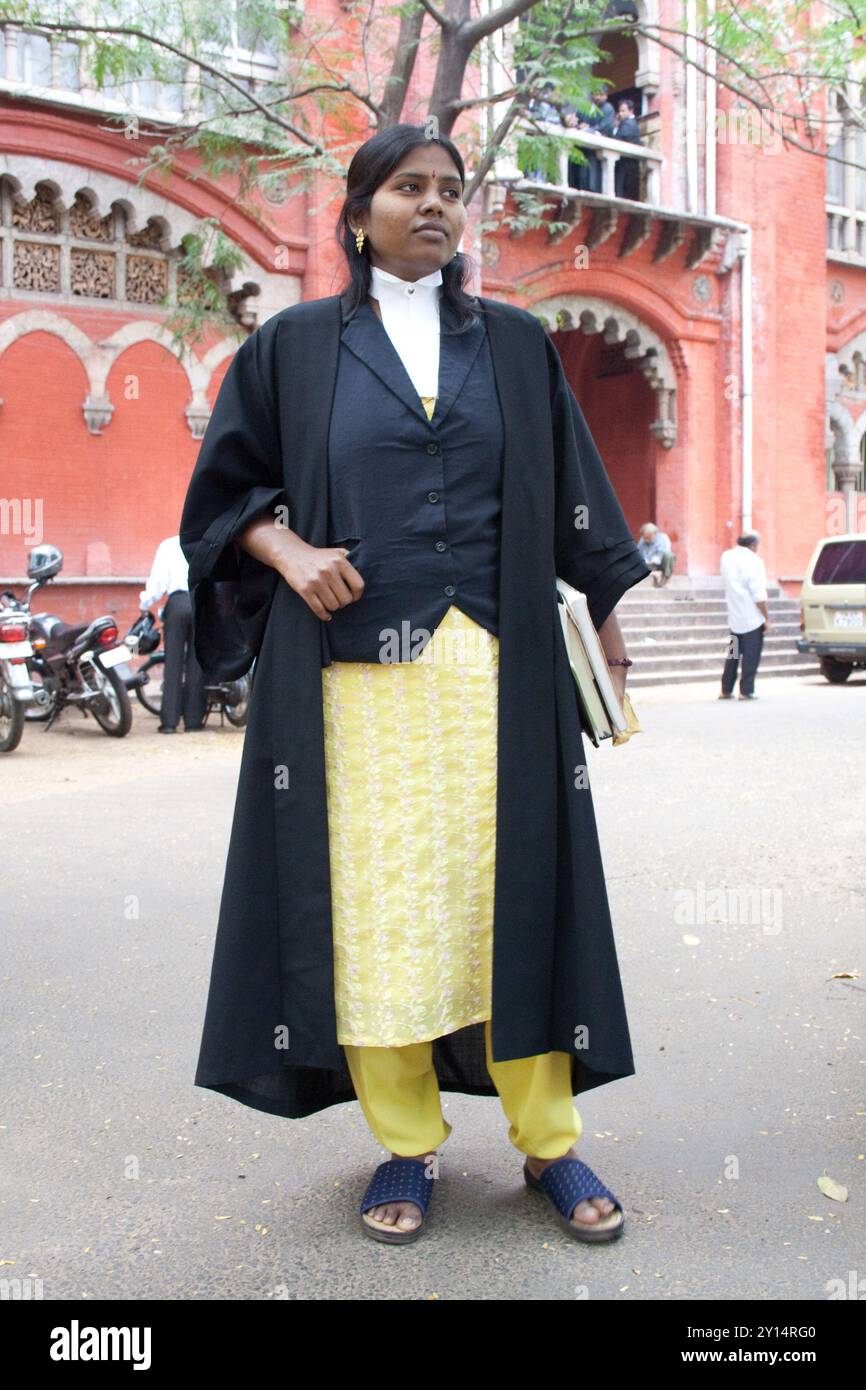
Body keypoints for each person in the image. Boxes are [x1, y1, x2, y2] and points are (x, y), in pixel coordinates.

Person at [179, 124, 651, 1248]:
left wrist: (609, 622)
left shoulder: (516, 346)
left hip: (494, 672)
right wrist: (289, 553)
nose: (435, 206)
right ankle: (405, 1141)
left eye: (450, 190)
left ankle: (549, 1142)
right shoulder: (292, 348)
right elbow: (219, 498)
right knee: (378, 907)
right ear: (358, 213)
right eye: (408, 188)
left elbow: (577, 502)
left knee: (517, 898)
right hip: (352, 690)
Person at [139, 534, 207, 732]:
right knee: (198, 663)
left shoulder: (169, 545)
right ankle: (194, 721)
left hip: (177, 604)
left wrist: (145, 604)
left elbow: (158, 581)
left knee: (173, 663)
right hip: (200, 603)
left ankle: (169, 722)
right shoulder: (204, 542)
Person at [719, 532, 771, 700]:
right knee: (751, 655)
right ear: (753, 545)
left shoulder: (726, 557)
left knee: (733, 654)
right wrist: (766, 618)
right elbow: (758, 594)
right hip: (752, 618)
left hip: (734, 616)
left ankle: (726, 689)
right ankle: (746, 690)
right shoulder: (755, 561)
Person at [567, 86, 616, 193]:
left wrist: (590, 129)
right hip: (582, 145)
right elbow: (577, 120)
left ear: (606, 96)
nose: (598, 97)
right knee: (579, 171)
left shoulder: (608, 109)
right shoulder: (586, 107)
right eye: (595, 94)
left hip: (595, 147)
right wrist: (576, 123)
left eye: (601, 95)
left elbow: (606, 126)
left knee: (592, 174)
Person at [613, 98, 643, 200]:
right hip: (628, 164)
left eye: (623, 111)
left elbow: (617, 140)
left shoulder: (629, 124)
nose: (620, 114)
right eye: (619, 111)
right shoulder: (628, 123)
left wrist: (616, 127)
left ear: (631, 111)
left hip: (627, 164)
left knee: (623, 190)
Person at [637, 522, 676, 587]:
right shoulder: (642, 540)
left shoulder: (663, 538)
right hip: (647, 565)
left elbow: (662, 553)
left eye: (648, 537)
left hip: (659, 563)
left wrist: (652, 561)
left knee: (669, 556)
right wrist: (645, 562)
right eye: (645, 537)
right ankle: (654, 574)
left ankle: (666, 578)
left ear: (655, 534)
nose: (646, 540)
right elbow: (639, 554)